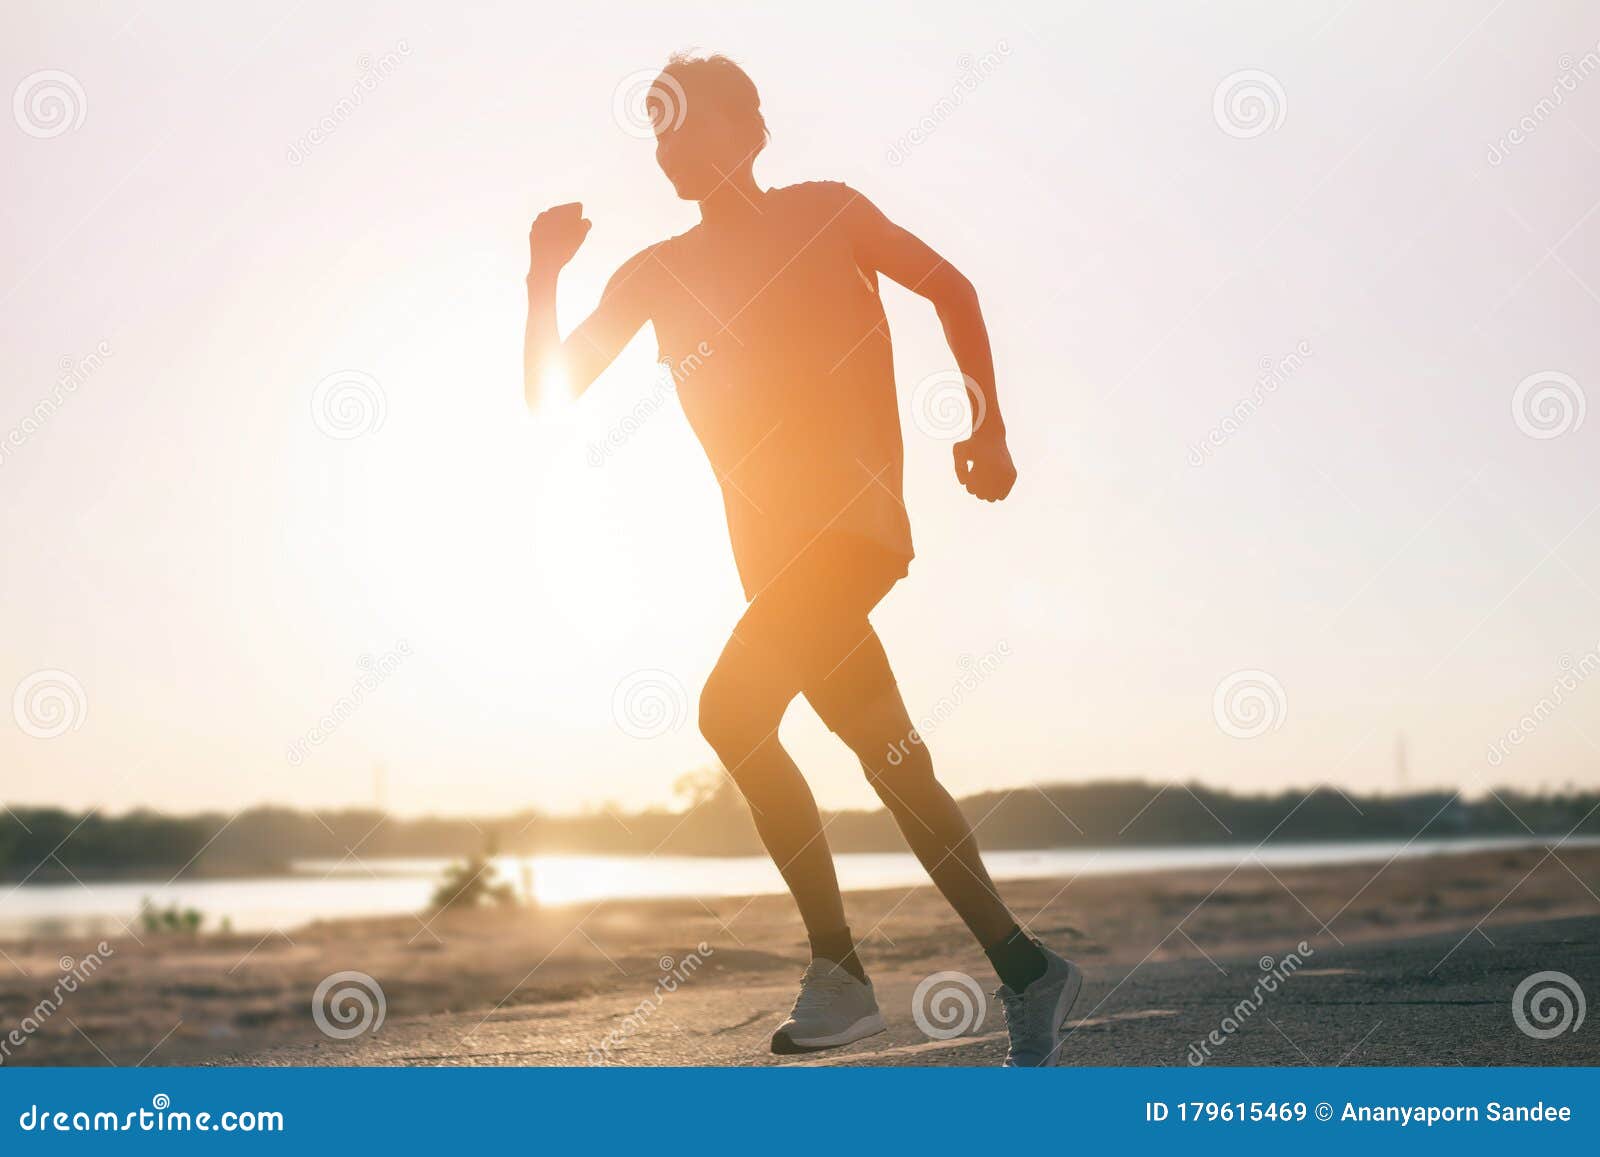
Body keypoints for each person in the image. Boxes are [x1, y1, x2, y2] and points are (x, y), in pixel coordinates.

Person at [523, 52, 1082, 1066]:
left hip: (852, 529)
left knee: (729, 712)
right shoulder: (655, 271)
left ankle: (840, 972)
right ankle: (1025, 964)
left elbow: (947, 285)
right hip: (772, 563)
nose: (670, 149)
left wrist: (986, 426)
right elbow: (547, 395)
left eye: (690, 126)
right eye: (658, 134)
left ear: (752, 131)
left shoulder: (825, 211)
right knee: (893, 760)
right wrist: (543, 274)